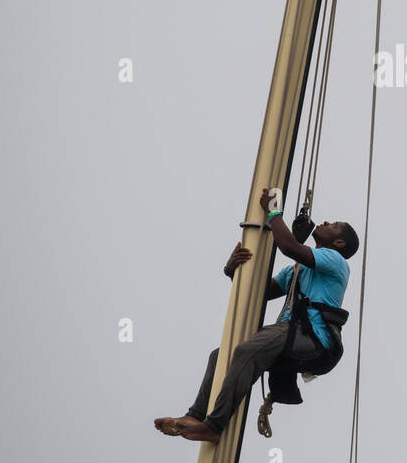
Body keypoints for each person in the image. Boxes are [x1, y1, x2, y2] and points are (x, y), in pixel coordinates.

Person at [154, 189, 359, 444]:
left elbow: (287, 246)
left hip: (312, 339)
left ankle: (214, 426)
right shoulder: (299, 269)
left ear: (339, 243)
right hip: (293, 334)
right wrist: (232, 271)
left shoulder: (337, 261)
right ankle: (196, 416)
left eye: (334, 225)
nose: (327, 222)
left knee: (245, 350)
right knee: (221, 356)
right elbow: (259, 293)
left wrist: (274, 211)